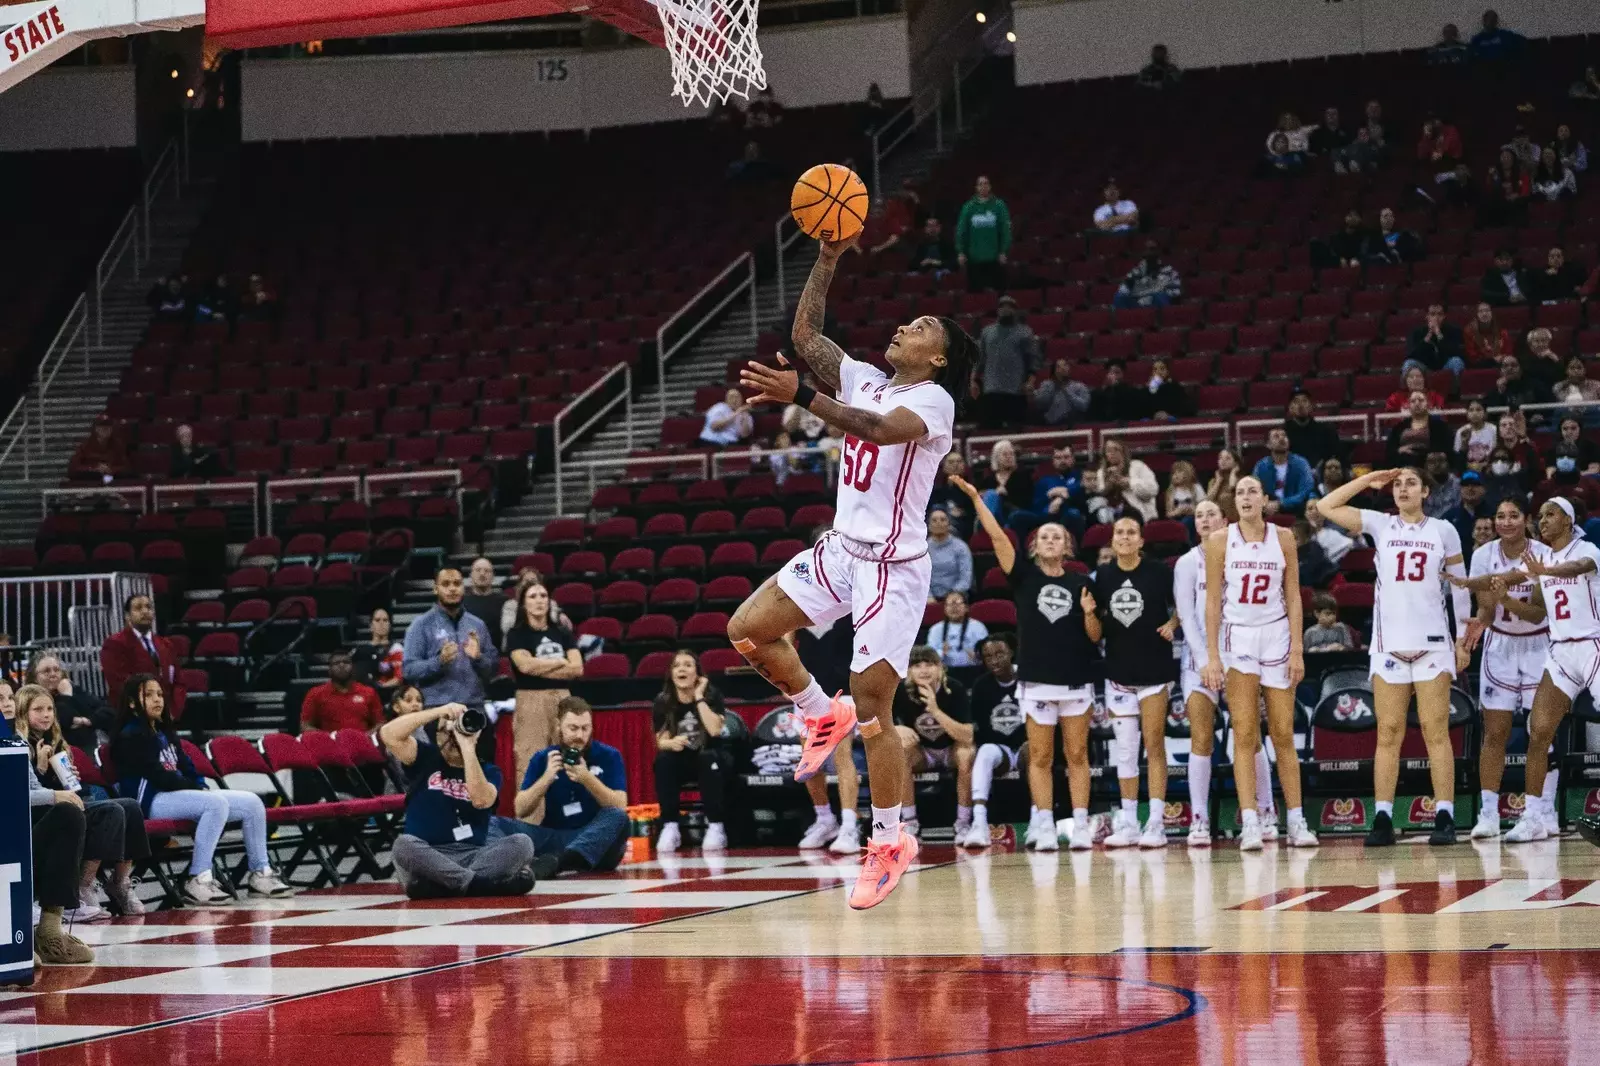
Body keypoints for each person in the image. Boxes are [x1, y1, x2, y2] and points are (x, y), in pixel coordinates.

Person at [731, 234, 975, 911]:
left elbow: (872, 429)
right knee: (747, 631)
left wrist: (799, 397)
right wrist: (829, 258)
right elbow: (807, 334)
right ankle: (817, 712)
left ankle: (893, 837)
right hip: (841, 551)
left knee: (875, 709)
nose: (903, 326)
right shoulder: (864, 375)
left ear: (939, 357)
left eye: (920, 327)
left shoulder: (933, 403)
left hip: (893, 570)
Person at [1316, 469, 1471, 846]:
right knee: (1388, 734)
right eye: (1398, 484)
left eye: (1411, 483)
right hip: (1389, 646)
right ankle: (1382, 818)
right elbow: (1325, 505)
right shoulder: (1380, 524)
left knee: (1436, 732)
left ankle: (1445, 816)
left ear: (1426, 491)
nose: (1403, 489)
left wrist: (1463, 640)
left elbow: (1461, 588)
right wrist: (1369, 480)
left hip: (1433, 644)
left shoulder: (1443, 530)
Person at [955, 477, 1101, 850]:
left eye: (1058, 537)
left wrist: (1088, 613)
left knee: (1078, 754)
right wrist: (976, 498)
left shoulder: (1083, 581)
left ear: (1068, 546)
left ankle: (1081, 825)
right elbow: (1000, 538)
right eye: (1045, 536)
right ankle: (1045, 824)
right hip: (1036, 680)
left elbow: (1096, 635)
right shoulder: (1024, 576)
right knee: (1039, 755)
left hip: (1076, 679)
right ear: (1035, 546)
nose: (1052, 541)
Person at [1201, 477, 1316, 850]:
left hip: (1277, 635)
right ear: (1234, 502)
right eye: (1240, 493)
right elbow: (1214, 602)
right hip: (1239, 637)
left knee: (1283, 732)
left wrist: (1297, 648)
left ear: (1265, 499)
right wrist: (1213, 657)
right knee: (1245, 733)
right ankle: (1251, 820)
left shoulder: (1283, 538)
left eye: (1253, 491)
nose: (1247, 497)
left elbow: (1294, 596)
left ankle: (1296, 820)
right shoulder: (1219, 540)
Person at [112, 674, 294, 904]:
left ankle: (260, 873)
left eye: (159, 694)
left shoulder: (164, 732)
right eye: (148, 695)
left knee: (252, 803)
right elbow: (158, 776)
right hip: (149, 802)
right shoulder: (130, 735)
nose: (157, 700)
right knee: (214, 803)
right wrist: (196, 790)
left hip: (175, 795)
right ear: (131, 702)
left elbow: (187, 767)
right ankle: (198, 877)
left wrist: (198, 785)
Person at [1491, 500, 1598, 841]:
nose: (1544, 520)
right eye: (1541, 516)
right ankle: (1534, 816)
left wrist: (1545, 572)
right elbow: (1537, 614)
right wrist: (1491, 594)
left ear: (1569, 520)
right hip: (1561, 650)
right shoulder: (1543, 562)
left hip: (1594, 644)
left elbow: (1577, 567)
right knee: (1538, 731)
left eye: (1551, 514)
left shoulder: (1588, 549)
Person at [1449, 497, 1553, 840]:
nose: (1506, 521)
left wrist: (1505, 593)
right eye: (1500, 515)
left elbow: (1539, 612)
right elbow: (1487, 614)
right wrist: (1482, 613)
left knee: (1541, 733)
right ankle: (1488, 813)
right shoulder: (1483, 555)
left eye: (1513, 515)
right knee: (1495, 734)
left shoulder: (1543, 553)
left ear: (1526, 519)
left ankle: (1542, 811)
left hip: (1540, 644)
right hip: (1501, 646)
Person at [378, 697, 534, 898]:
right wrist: (439, 711)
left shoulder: (489, 770)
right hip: (428, 855)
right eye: (446, 731)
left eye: (458, 731)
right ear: (437, 736)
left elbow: (481, 800)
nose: (452, 736)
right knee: (403, 845)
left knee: (522, 843)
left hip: (472, 855)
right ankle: (480, 885)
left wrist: (468, 747)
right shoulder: (424, 757)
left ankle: (445, 886)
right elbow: (388, 734)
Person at [1085, 516, 1179, 848]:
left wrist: (1173, 624)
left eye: (1131, 533)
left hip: (1155, 672)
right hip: (1118, 675)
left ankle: (1156, 823)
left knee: (1154, 745)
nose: (1125, 537)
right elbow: (1095, 634)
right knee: (1124, 752)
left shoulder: (1158, 573)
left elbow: (1184, 603)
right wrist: (1087, 613)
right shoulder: (1102, 577)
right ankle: (1128, 823)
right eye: (1119, 532)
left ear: (1141, 540)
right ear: (1112, 540)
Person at [17, 685, 150, 919]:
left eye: (49, 709)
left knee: (131, 806)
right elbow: (31, 792)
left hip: (67, 803)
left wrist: (71, 779)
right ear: (23, 712)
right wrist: (40, 767)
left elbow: (78, 791)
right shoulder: (21, 743)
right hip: (46, 813)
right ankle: (83, 885)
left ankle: (120, 882)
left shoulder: (56, 740)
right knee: (111, 811)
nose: (46, 714)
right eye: (38, 709)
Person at [1172, 500, 1244, 847]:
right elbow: (1185, 616)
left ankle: (1262, 813)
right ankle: (1198, 819)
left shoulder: (1242, 556)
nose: (1204, 519)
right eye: (1198, 515)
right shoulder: (1187, 563)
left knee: (1248, 736)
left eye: (1210, 513)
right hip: (1199, 662)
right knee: (1201, 737)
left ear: (1225, 520)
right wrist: (1206, 661)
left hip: (1239, 657)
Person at [502, 697, 630, 877]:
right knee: (494, 823)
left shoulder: (609, 755)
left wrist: (587, 778)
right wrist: (546, 778)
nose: (580, 735)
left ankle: (561, 862)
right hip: (554, 835)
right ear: (558, 727)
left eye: (585, 728)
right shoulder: (543, 758)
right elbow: (521, 809)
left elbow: (620, 805)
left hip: (595, 839)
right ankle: (500, 862)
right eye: (573, 728)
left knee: (619, 817)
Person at [652, 651, 733, 853]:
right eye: (677, 665)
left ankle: (716, 826)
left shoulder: (712, 695)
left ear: (697, 673)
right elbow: (660, 742)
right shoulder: (663, 701)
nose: (681, 669)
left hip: (712, 754)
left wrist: (698, 698)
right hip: (683, 757)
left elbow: (715, 730)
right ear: (671, 674)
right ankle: (670, 826)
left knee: (707, 758)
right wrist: (671, 743)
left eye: (688, 665)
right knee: (663, 761)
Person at [794, 611, 862, 854]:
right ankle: (825, 819)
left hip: (843, 694)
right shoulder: (800, 614)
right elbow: (783, 645)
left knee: (842, 755)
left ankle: (850, 826)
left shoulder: (850, 612)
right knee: (810, 761)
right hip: (808, 695)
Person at [504, 579, 582, 781]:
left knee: (569, 755)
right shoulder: (516, 634)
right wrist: (559, 661)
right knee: (530, 760)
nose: (539, 600)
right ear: (523, 604)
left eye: (543, 595)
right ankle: (530, 813)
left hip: (564, 699)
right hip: (530, 701)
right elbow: (525, 666)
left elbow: (577, 668)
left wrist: (538, 665)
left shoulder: (562, 632)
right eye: (532, 596)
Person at [891, 647, 973, 839]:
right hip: (923, 753)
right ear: (908, 670)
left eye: (930, 664)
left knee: (967, 754)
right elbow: (880, 723)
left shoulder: (955, 688)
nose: (924, 670)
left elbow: (967, 736)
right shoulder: (901, 691)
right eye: (917, 665)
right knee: (899, 752)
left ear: (941, 668)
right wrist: (897, 728)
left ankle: (963, 823)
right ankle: (910, 823)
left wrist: (936, 711)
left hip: (951, 749)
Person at [26, 746, 95, 964]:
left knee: (69, 815)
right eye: (38, 708)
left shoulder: (10, 739)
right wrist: (53, 794)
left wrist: (55, 789)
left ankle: (49, 929)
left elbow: (31, 789)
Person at [959, 634, 1025, 848]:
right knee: (985, 751)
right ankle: (978, 822)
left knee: (1036, 749)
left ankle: (1040, 821)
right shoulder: (981, 685)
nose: (994, 660)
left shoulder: (1027, 677)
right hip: (1001, 750)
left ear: (1011, 652)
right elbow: (978, 727)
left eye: (999, 654)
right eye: (988, 656)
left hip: (1029, 747)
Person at [402, 567, 498, 711]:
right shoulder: (421, 625)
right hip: (435, 708)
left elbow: (492, 670)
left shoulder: (477, 624)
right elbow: (409, 670)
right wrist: (439, 661)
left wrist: (478, 658)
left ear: (463, 588)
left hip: (473, 707)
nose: (452, 589)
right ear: (435, 589)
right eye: (446, 584)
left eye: (457, 583)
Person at [100, 593, 184, 722]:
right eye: (138, 608)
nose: (145, 611)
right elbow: (120, 683)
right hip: (132, 717)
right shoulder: (114, 644)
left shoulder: (166, 645)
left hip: (166, 717)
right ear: (127, 616)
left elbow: (179, 682)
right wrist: (149, 710)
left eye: (148, 607)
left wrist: (173, 711)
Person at [972, 296, 1038, 428]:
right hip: (991, 390)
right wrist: (972, 380)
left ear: (1015, 310)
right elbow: (979, 359)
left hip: (1015, 391)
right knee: (990, 430)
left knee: (1015, 430)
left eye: (1010, 306)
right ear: (998, 309)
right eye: (1003, 306)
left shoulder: (1025, 333)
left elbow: (1033, 361)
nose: (1006, 309)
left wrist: (1030, 382)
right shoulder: (987, 332)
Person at [26, 652, 111, 752]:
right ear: (34, 678)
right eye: (46, 671)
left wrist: (88, 721)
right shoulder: (31, 700)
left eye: (56, 670)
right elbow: (63, 720)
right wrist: (66, 696)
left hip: (87, 748)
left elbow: (107, 712)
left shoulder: (74, 690)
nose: (53, 674)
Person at [300, 650, 384, 733]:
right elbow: (305, 725)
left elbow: (380, 723)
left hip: (362, 743)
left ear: (353, 667)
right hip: (330, 744)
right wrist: (326, 738)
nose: (341, 665)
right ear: (329, 670)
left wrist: (365, 737)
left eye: (346, 662)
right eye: (336, 663)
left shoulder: (369, 692)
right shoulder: (315, 694)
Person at [954, 175, 1011, 292]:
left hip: (994, 258)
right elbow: (961, 230)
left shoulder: (999, 205)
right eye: (980, 184)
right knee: (976, 295)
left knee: (999, 292)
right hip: (974, 259)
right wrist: (961, 252)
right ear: (976, 188)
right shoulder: (968, 207)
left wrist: (1003, 251)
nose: (983, 186)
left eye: (986, 183)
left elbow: (1005, 230)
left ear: (990, 186)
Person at [1086, 437, 1159, 524]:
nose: (1112, 453)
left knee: (1128, 511)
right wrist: (1109, 484)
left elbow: (1153, 490)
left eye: (1116, 450)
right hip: (1110, 515)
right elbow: (1098, 494)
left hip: (1139, 515)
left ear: (1124, 451)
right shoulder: (1101, 472)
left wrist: (1129, 482)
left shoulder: (1138, 466)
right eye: (1108, 450)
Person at [1251, 428, 1316, 516]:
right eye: (1276, 436)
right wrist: (1264, 504)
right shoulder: (1261, 466)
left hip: (1296, 514)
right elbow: (1253, 490)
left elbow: (1306, 491)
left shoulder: (1301, 463)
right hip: (1268, 513)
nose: (1282, 438)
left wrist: (1281, 504)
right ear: (1268, 444)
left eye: (1284, 435)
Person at [1386, 390, 1454, 468]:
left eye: (1421, 400)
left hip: (1430, 466)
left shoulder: (1440, 425)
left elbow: (1445, 448)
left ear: (1428, 404)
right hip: (1403, 465)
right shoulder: (1399, 426)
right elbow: (1390, 450)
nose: (1417, 403)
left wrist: (1419, 452)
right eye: (1413, 401)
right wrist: (1399, 450)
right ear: (1408, 405)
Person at [923, 590, 989, 669]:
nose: (954, 607)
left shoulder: (978, 627)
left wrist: (978, 656)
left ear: (966, 608)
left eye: (958, 603)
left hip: (974, 669)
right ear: (944, 609)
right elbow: (929, 654)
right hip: (944, 671)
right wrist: (941, 652)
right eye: (950, 604)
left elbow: (987, 651)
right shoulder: (936, 629)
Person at [978, 438, 1035, 529]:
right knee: (991, 495)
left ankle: (987, 528)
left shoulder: (1023, 476)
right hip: (995, 514)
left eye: (1012, 454)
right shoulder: (988, 480)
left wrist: (1005, 495)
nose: (1009, 457)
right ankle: (987, 528)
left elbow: (1026, 502)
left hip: (1016, 512)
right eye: (1005, 454)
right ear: (996, 458)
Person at [1030, 444, 1087, 535]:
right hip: (1048, 517)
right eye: (1058, 458)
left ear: (1073, 459)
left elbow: (1082, 493)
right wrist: (1048, 504)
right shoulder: (1044, 480)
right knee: (1018, 516)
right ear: (1053, 461)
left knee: (1073, 514)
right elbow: (1036, 505)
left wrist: (1060, 498)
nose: (1062, 461)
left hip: (1072, 515)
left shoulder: (1080, 475)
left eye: (1066, 457)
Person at [1284, 389, 1344, 471]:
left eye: (1304, 401)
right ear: (1290, 408)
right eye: (1296, 401)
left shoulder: (1326, 431)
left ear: (1311, 406)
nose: (1300, 405)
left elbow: (1334, 455)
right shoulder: (1283, 433)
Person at [1114, 241, 1182, 309]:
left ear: (1158, 251)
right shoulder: (1137, 270)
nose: (1149, 252)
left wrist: (1156, 292)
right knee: (1120, 296)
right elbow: (1125, 286)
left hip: (1156, 303)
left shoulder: (1169, 270)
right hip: (1139, 302)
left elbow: (1176, 293)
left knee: (1159, 296)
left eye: (1152, 249)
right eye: (1147, 249)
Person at [1405, 304, 1466, 377]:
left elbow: (1455, 352)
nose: (1436, 318)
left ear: (1444, 316)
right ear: (1427, 316)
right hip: (1424, 367)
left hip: (1445, 366)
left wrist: (1438, 334)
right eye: (1432, 314)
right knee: (1409, 363)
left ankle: (1456, 388)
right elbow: (1413, 355)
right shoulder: (1417, 333)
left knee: (1457, 361)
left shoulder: (1454, 331)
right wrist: (1429, 334)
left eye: (1439, 314)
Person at [925, 509, 973, 601]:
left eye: (943, 519)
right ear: (929, 526)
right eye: (934, 520)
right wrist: (929, 596)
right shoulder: (923, 549)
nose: (938, 523)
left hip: (957, 595)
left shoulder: (961, 547)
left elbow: (966, 577)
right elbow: (921, 577)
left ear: (949, 524)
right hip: (929, 597)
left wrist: (953, 594)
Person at [352, 606, 404, 690]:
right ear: (371, 626)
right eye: (377, 620)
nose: (381, 623)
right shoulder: (360, 651)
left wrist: (380, 688)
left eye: (385, 620)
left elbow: (398, 678)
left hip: (388, 694)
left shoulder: (396, 649)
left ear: (389, 625)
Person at [461, 557, 506, 650]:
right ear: (471, 575)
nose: (482, 574)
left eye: (487, 571)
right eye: (478, 570)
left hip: (497, 655)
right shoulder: (461, 602)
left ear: (493, 576)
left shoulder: (504, 602)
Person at [1030, 358, 1091, 427]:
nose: (1062, 368)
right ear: (1054, 371)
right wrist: (1052, 387)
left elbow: (1084, 406)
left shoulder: (1079, 386)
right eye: (1058, 367)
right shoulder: (1046, 385)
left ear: (1069, 369)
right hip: (1050, 425)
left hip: (1073, 424)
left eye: (1065, 365)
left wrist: (1066, 391)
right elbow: (1041, 404)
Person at [67, 414, 130, 482]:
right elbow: (74, 468)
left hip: (111, 476)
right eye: (101, 426)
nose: (105, 429)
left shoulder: (117, 444)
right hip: (90, 478)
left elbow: (125, 466)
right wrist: (94, 468)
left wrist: (111, 469)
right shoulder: (84, 444)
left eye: (108, 426)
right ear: (95, 428)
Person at [1444, 470, 1492, 546]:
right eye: (1465, 485)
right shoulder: (1449, 518)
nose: (1470, 488)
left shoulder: (1494, 515)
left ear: (1484, 488)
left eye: (1475, 485)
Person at [1454, 400, 1498, 469]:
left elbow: (1496, 453)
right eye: (1471, 410)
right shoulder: (1461, 431)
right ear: (1467, 414)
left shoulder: (1493, 429)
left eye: (1478, 410)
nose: (1474, 413)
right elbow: (1458, 456)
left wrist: (1484, 466)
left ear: (1485, 414)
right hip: (1467, 469)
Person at [1206, 448, 1243, 521]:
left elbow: (1233, 488)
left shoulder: (1243, 480)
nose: (1223, 460)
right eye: (1220, 458)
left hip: (1238, 521)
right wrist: (1218, 482)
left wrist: (1233, 473)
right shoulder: (1213, 481)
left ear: (1236, 463)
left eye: (1228, 458)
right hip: (1218, 522)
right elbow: (1208, 501)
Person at [1424, 451, 1462, 518]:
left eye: (1441, 461)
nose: (1437, 465)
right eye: (1432, 462)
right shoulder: (1422, 487)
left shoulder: (1458, 484)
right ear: (1426, 466)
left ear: (1448, 464)